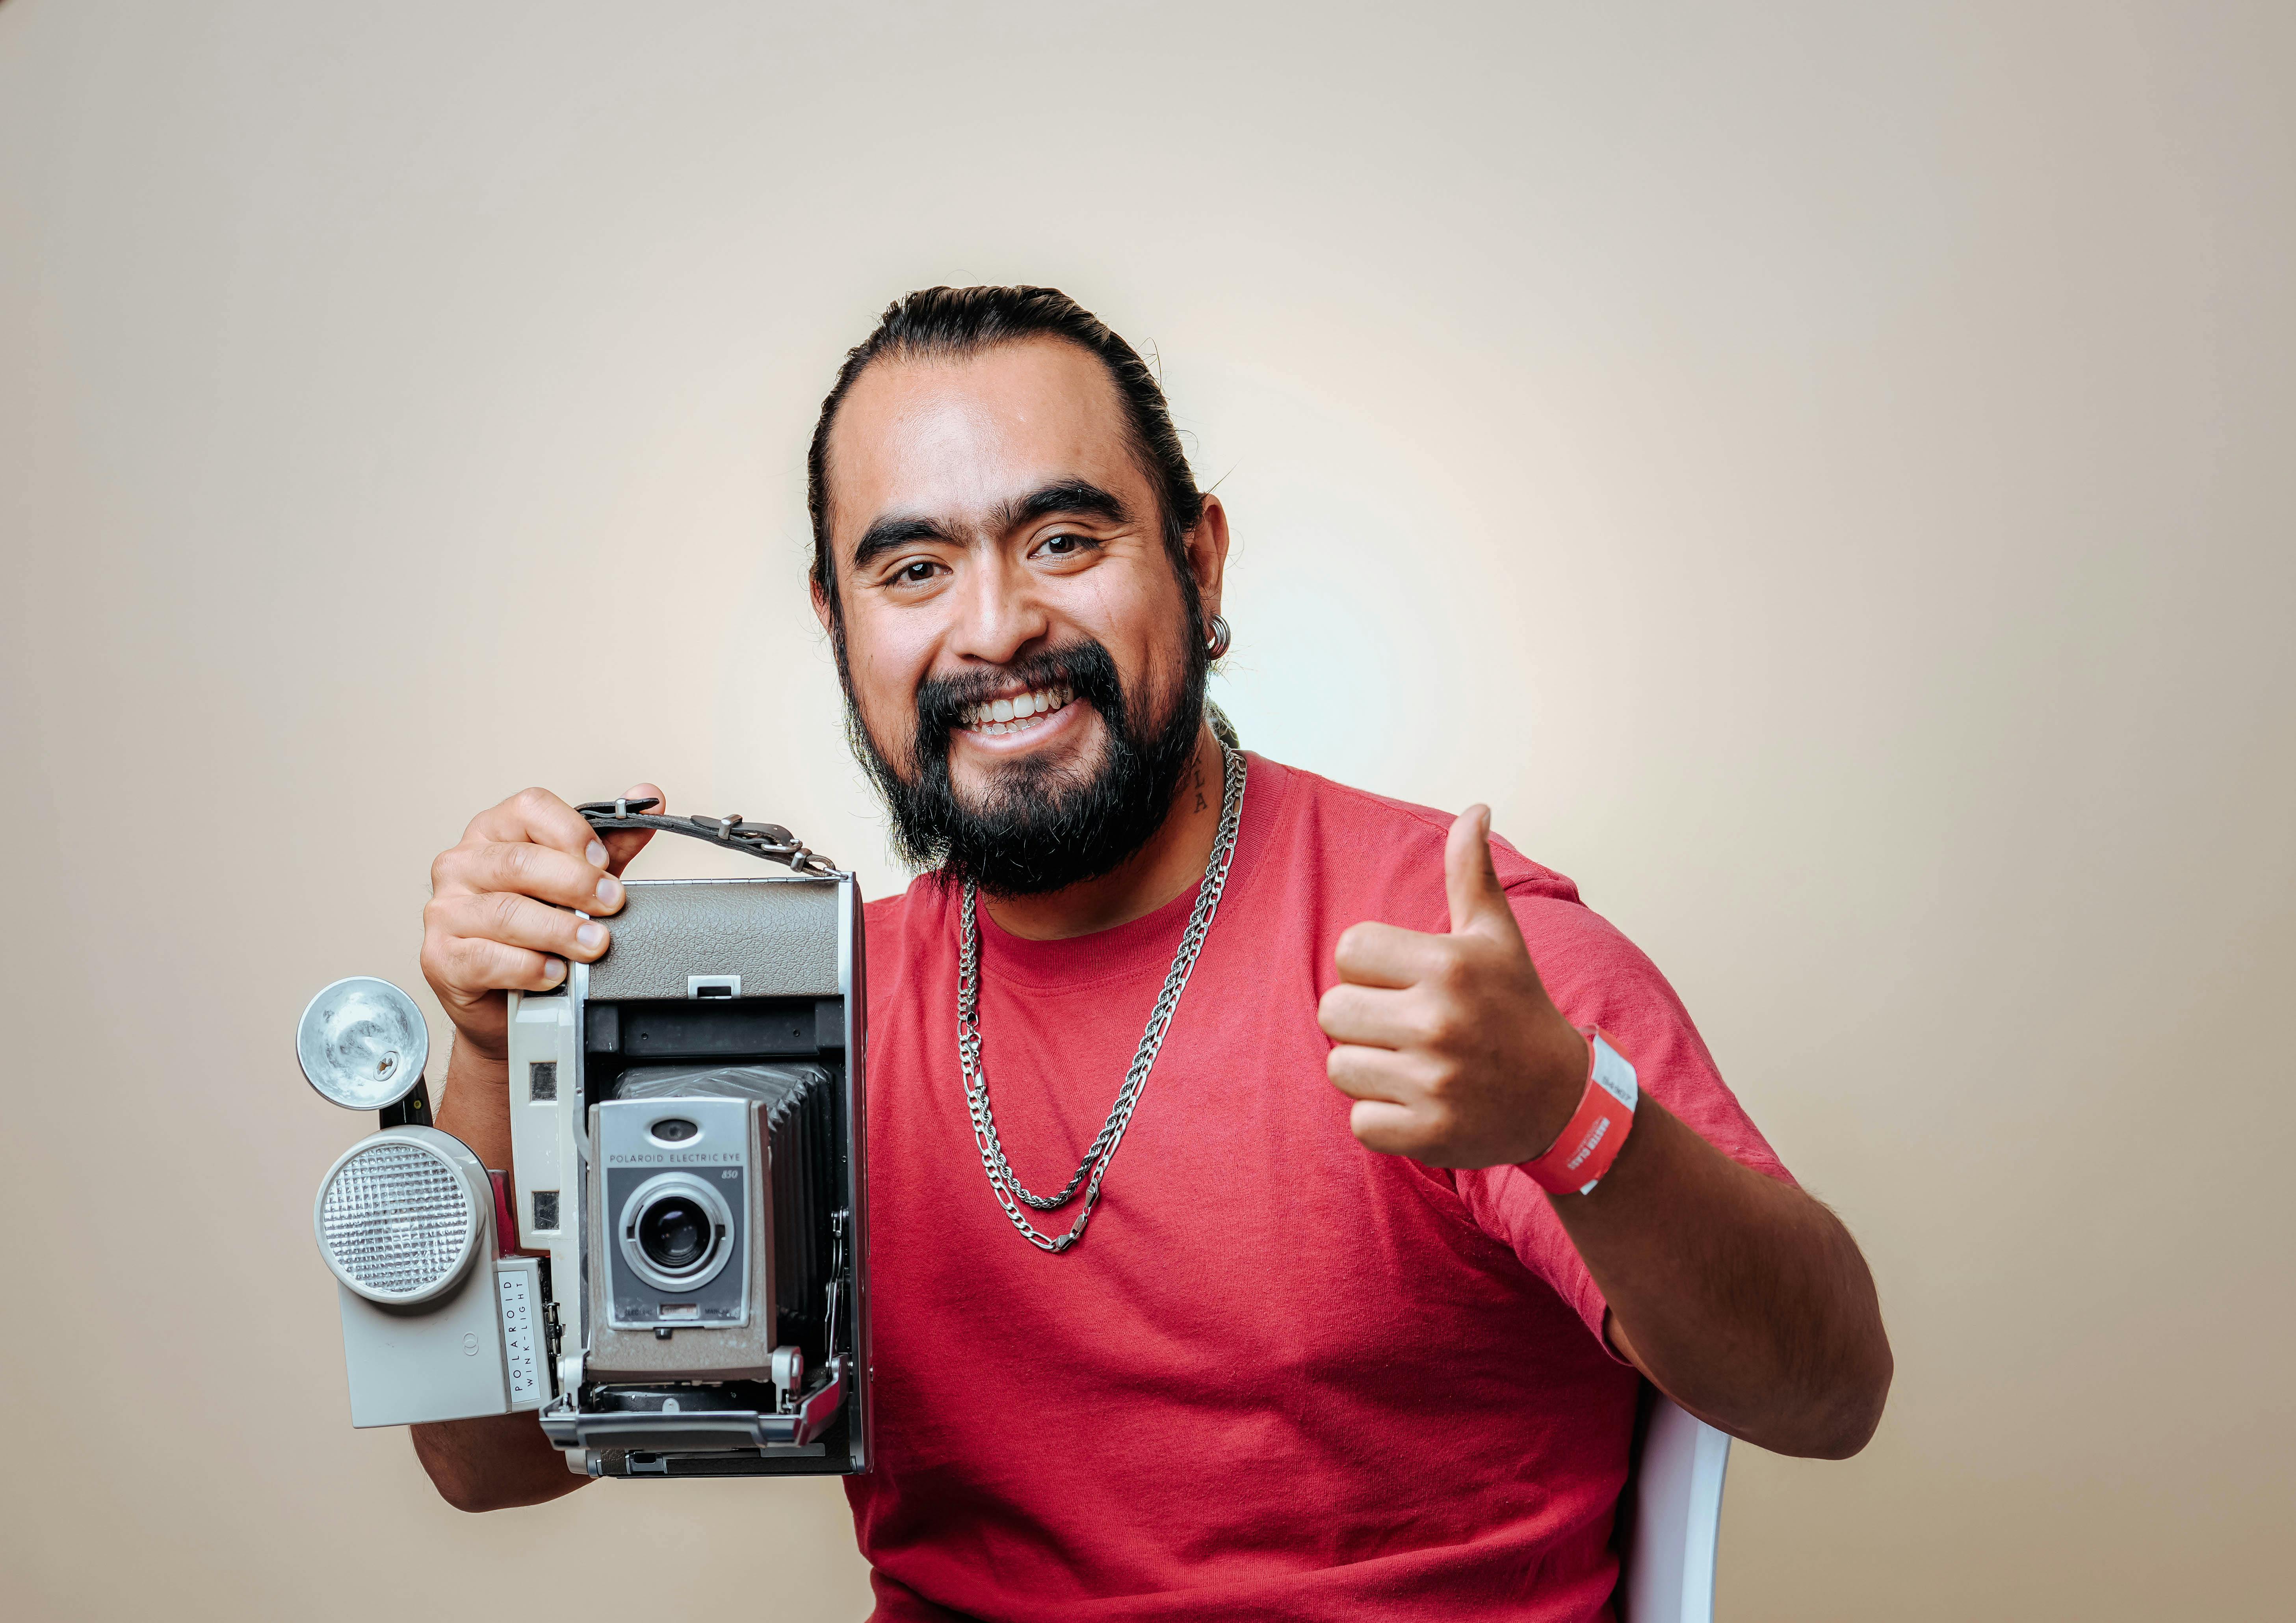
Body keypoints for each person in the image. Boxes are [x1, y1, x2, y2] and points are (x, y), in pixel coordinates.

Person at [409, 286, 1892, 1621]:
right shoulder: (809, 1018)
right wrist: (484, 1056)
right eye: (913, 570)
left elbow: (1827, 1393)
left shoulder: (1449, 959)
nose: (997, 628)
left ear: (1198, 561)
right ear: (837, 623)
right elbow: (488, 1467)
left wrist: (1570, 1117)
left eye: (1064, 542)